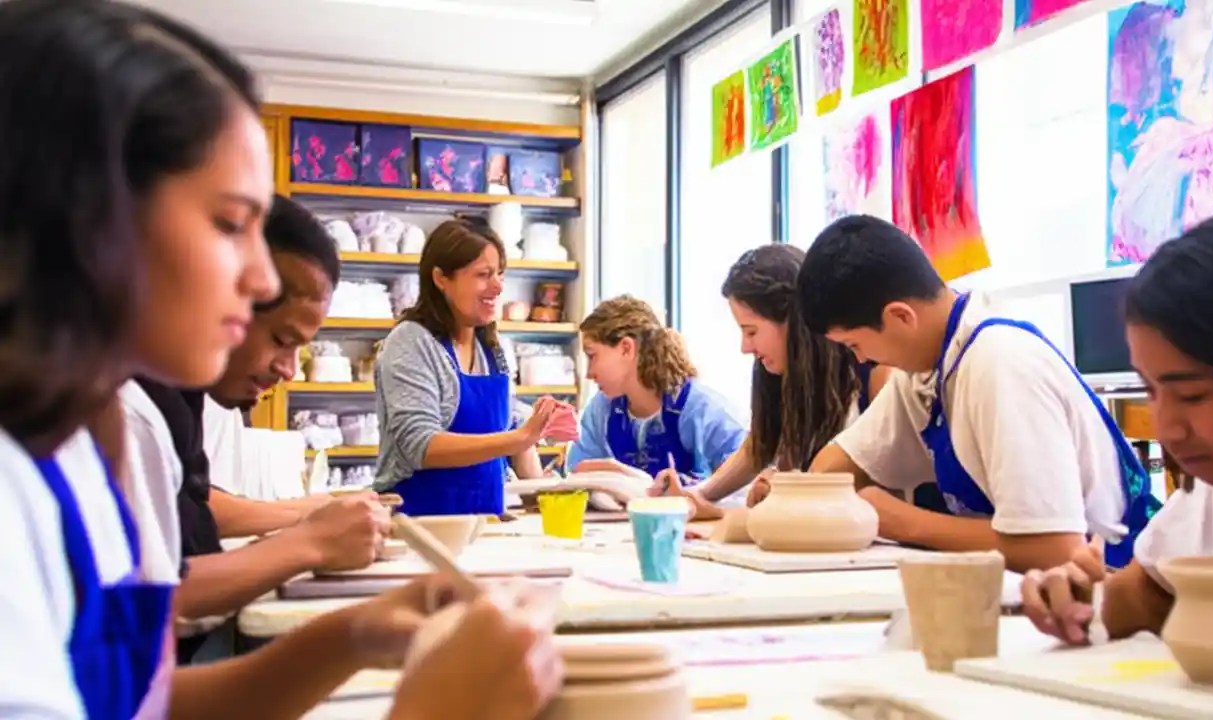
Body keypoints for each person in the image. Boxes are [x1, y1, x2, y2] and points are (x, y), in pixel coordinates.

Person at [0, 2, 560, 718]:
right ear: (82, 210)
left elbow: (137, 704)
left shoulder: (86, 439)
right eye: (230, 223)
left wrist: (346, 637)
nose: (263, 280)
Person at [796, 215, 1160, 573]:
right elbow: (842, 463)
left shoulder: (999, 362)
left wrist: (903, 522)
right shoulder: (928, 368)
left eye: (854, 344)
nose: (860, 359)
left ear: (901, 317)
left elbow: (1055, 548)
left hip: (1113, 584)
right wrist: (798, 495)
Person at [123, 194, 388, 664]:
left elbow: (192, 510)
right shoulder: (127, 409)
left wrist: (315, 517)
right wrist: (310, 541)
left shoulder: (178, 398)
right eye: (281, 340)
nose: (287, 370)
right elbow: (146, 608)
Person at [1022, 209, 1213, 645]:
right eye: (1151, 391)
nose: (1168, 430)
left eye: (1193, 395)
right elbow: (1143, 595)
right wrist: (1078, 596)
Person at [655, 244, 889, 518]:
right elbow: (759, 446)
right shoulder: (781, 375)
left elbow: (864, 487)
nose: (745, 347)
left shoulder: (872, 373)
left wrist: (779, 493)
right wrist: (698, 495)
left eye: (751, 331)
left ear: (793, 320)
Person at [374, 219, 574, 516]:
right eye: (484, 275)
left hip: (484, 523)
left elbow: (513, 430)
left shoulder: (492, 347)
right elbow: (420, 445)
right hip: (419, 528)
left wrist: (543, 497)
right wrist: (518, 438)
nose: (498, 286)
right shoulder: (411, 343)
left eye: (500, 274)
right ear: (441, 278)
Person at [567, 295, 745, 484]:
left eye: (592, 356)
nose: (589, 373)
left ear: (626, 349)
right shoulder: (601, 410)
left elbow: (744, 488)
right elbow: (577, 475)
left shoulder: (705, 411)